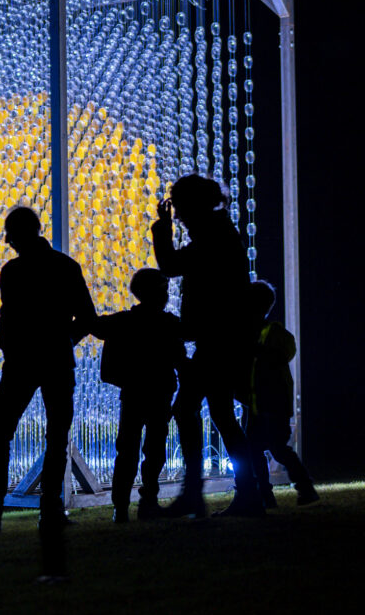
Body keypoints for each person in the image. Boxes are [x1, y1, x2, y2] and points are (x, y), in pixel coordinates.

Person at [0, 206, 95, 539]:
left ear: (19, 234)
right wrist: (63, 341)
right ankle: (50, 512)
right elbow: (86, 316)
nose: (7, 240)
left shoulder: (14, 271)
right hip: (54, 361)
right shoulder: (64, 267)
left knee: (1, 434)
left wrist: (12, 344)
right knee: (55, 438)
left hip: (22, 362)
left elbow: (10, 316)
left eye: (10, 234)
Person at [151, 174, 263, 517]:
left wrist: (161, 229)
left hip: (218, 342)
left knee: (193, 410)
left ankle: (204, 494)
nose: (179, 214)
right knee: (220, 415)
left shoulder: (213, 236)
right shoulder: (218, 232)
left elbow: (169, 266)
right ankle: (243, 493)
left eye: (180, 206)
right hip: (221, 340)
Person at [89, 268, 186, 521]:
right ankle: (148, 501)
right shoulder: (168, 324)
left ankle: (121, 507)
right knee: (154, 449)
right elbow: (180, 356)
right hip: (160, 392)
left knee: (128, 450)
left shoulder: (122, 321)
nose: (166, 295)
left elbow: (96, 326)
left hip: (132, 393)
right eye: (163, 290)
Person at [245, 280, 319, 508]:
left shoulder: (272, 332)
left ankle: (304, 487)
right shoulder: (256, 333)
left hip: (272, 404)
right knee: (256, 449)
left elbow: (283, 353)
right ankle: (266, 494)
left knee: (277, 448)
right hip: (258, 404)